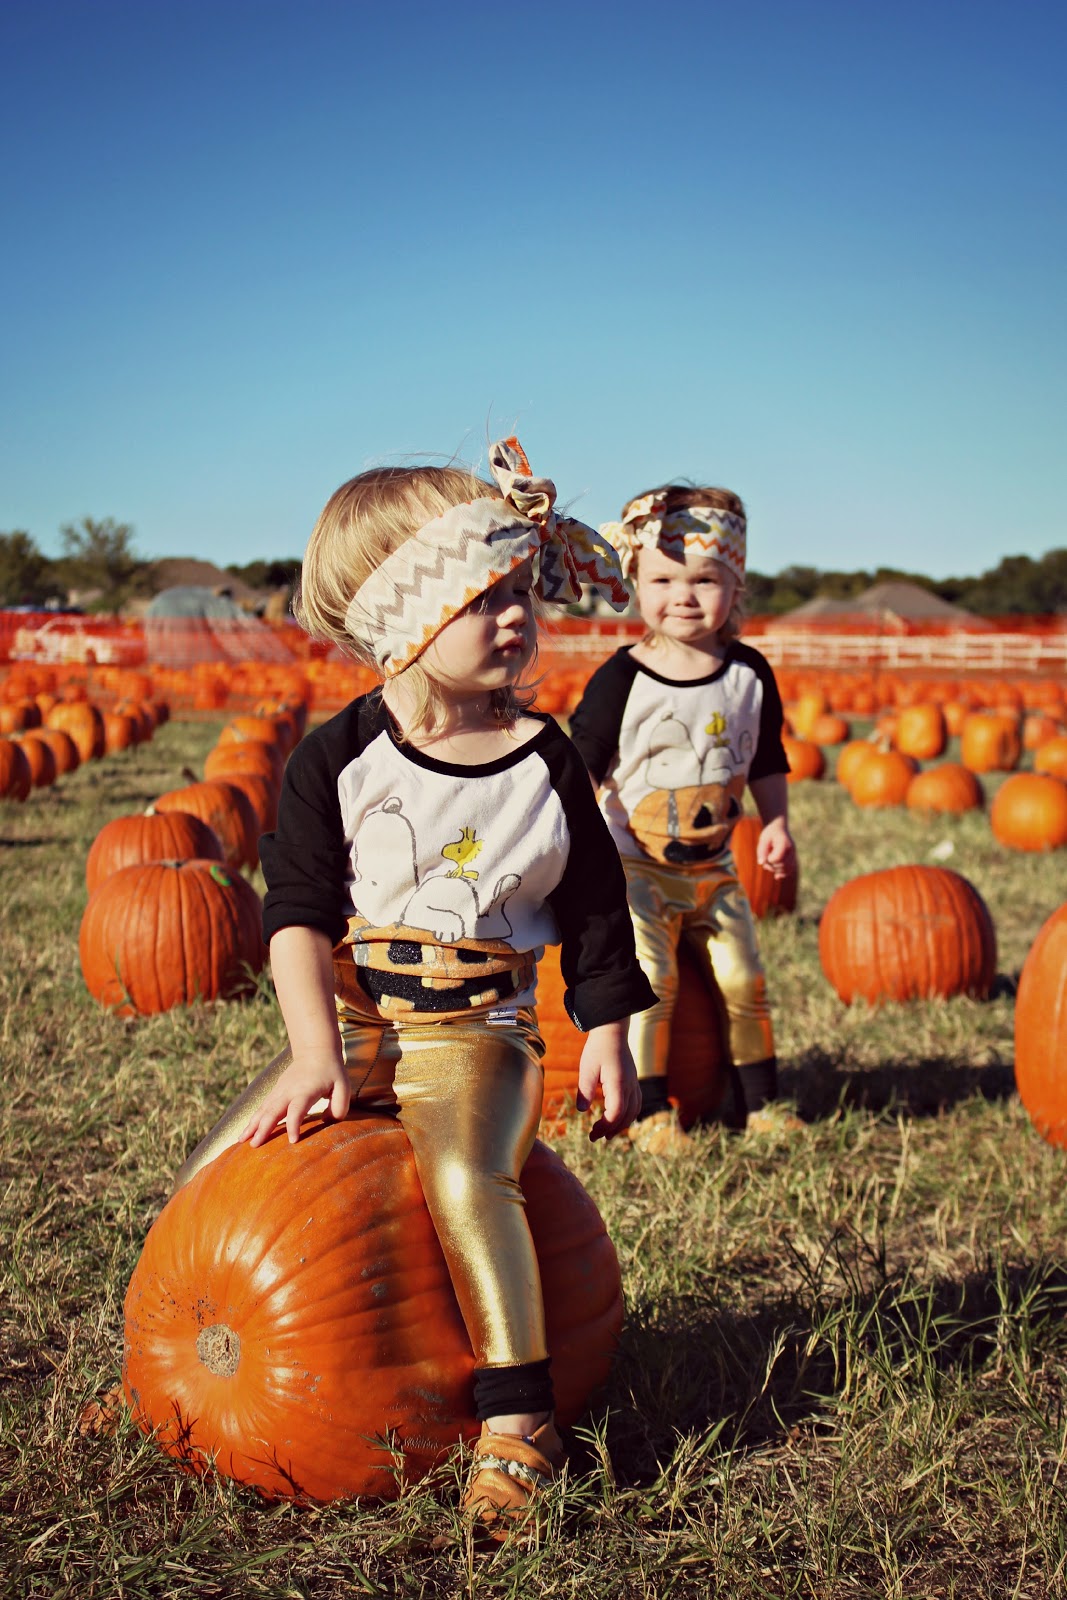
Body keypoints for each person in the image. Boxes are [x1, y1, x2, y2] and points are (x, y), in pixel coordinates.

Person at [173, 438, 656, 1534]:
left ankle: (518, 1416)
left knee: (466, 1180)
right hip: (353, 1018)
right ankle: (152, 1359)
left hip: (478, 1030)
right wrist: (312, 1053)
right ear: (397, 622)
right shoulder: (332, 758)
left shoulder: (545, 761)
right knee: (220, 1164)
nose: (515, 615)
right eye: (481, 596)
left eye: (520, 588)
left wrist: (609, 1039)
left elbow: (590, 914)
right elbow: (294, 913)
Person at [568, 483, 798, 1155]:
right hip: (634, 865)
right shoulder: (622, 678)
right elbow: (584, 761)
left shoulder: (748, 674)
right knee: (654, 982)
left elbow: (766, 758)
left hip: (715, 865)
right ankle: (648, 1111)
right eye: (663, 577)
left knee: (745, 979)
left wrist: (776, 824)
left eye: (705, 578)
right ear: (635, 579)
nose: (684, 594)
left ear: (736, 585)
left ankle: (763, 1103)